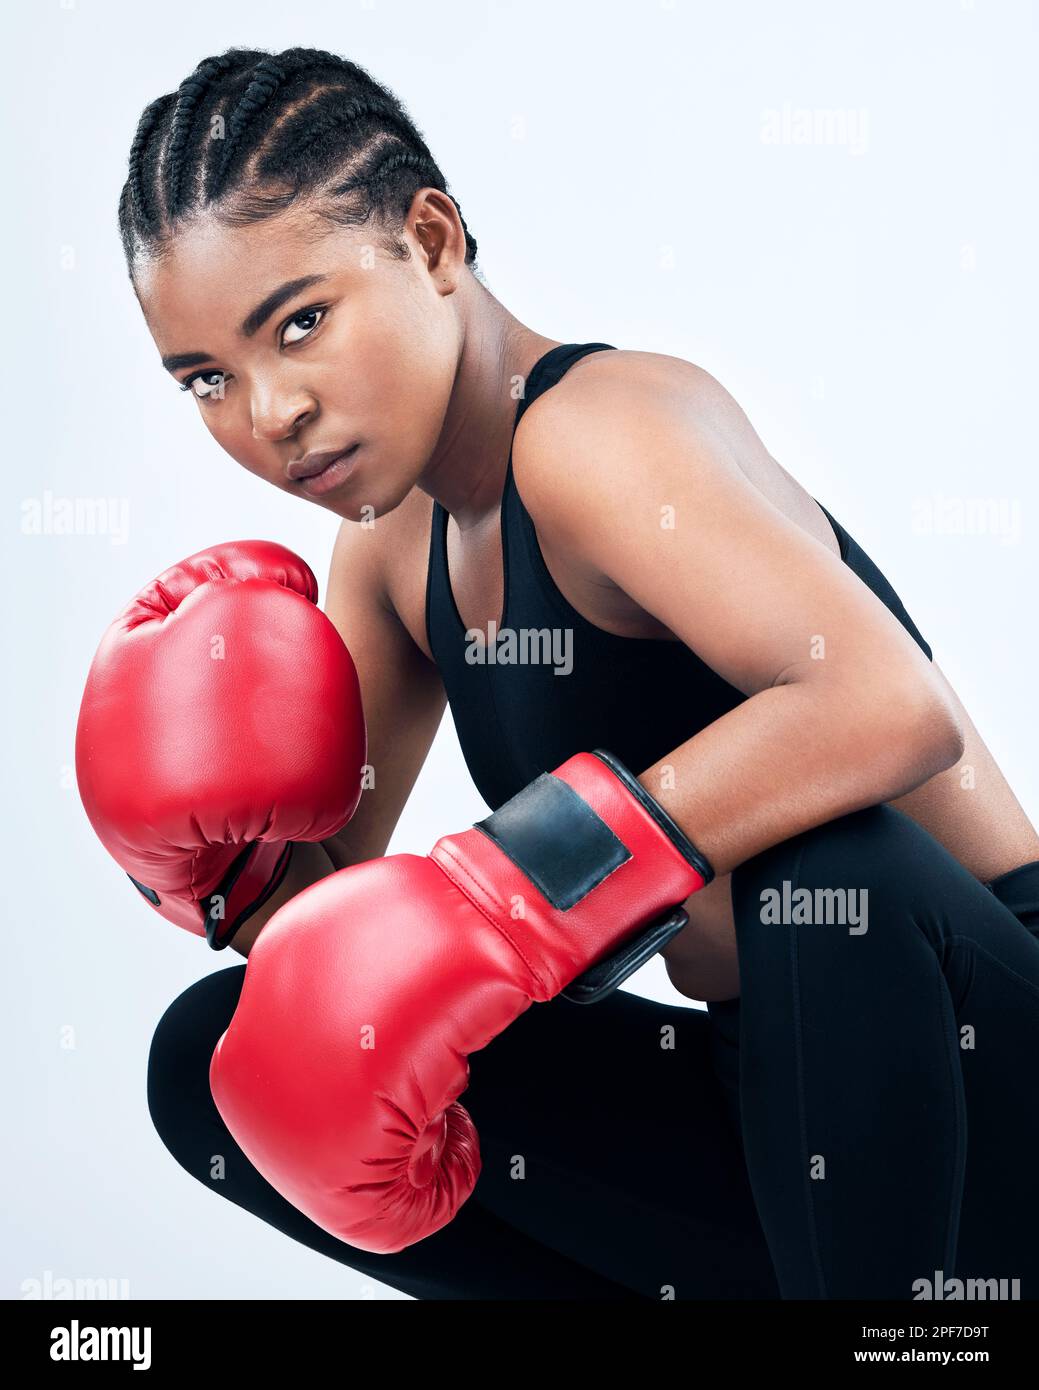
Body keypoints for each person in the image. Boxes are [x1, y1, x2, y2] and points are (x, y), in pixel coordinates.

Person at [90, 46, 1039, 1299]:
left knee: (823, 872)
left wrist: (510, 887)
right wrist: (218, 866)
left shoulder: (601, 433)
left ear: (431, 242)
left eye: (300, 323)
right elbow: (323, 956)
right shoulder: (388, 547)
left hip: (986, 1090)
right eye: (208, 379)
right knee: (218, 1064)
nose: (269, 413)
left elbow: (886, 706)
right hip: (790, 1125)